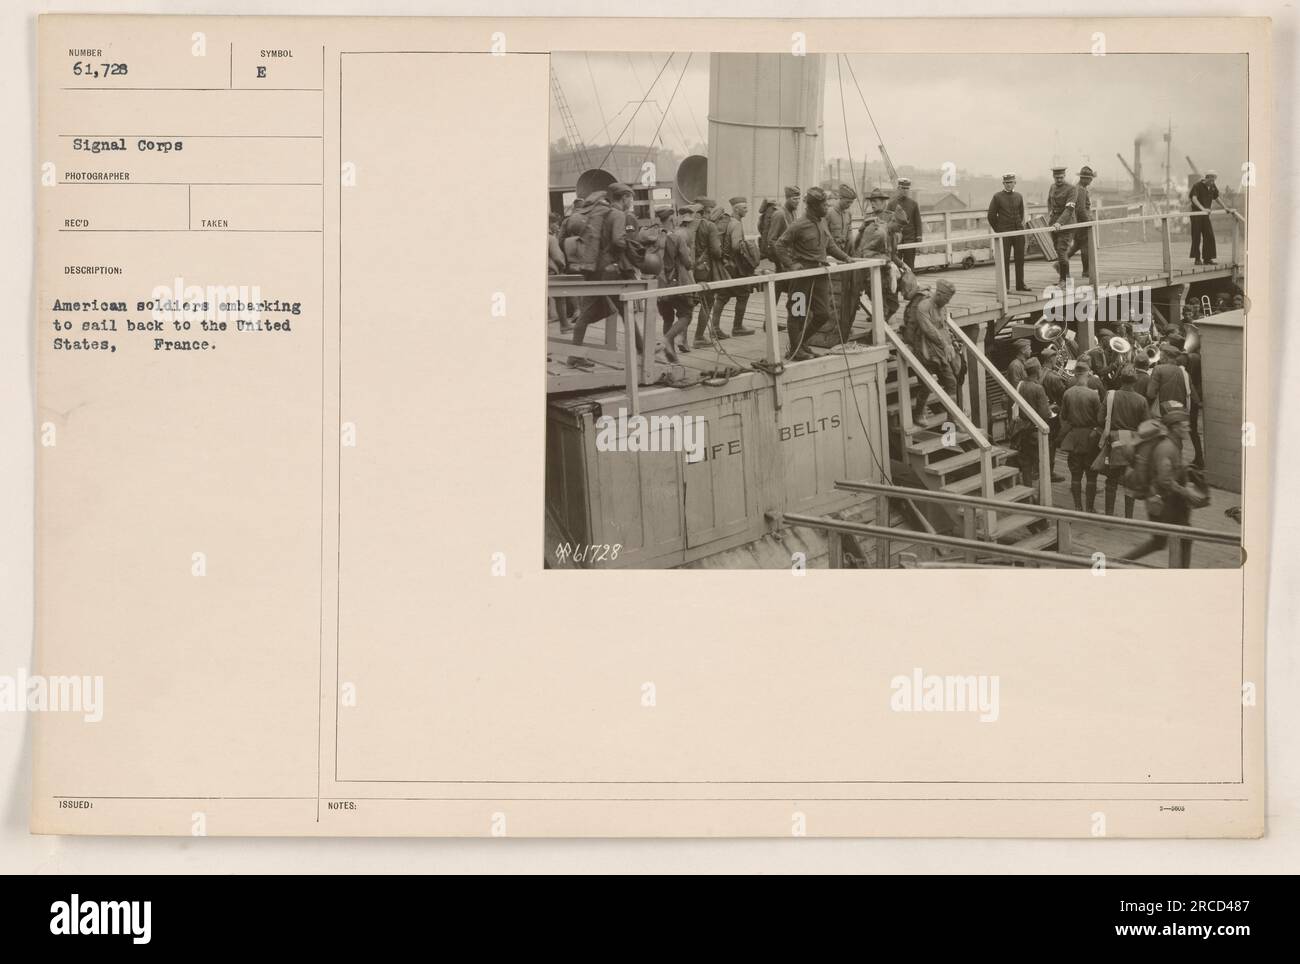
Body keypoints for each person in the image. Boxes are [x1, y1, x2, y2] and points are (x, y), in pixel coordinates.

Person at [771, 186, 853, 360]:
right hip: (802, 276)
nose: (827, 208)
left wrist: (846, 258)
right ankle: (796, 350)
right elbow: (779, 245)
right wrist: (791, 265)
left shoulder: (821, 222)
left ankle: (799, 343)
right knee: (797, 313)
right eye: (824, 205)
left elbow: (829, 245)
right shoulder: (798, 225)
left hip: (820, 274)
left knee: (823, 314)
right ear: (814, 206)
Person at [568, 183, 640, 368]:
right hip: (609, 270)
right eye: (630, 197)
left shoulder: (603, 213)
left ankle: (641, 348)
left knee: (610, 309)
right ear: (624, 198)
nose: (631, 201)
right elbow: (617, 240)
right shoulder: (617, 214)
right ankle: (641, 349)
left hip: (596, 268)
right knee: (623, 309)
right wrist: (631, 245)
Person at [1128, 405, 1205, 567]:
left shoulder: (1172, 445)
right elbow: (1165, 480)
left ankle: (1116, 563)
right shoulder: (1167, 448)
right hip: (1166, 504)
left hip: (1167, 502)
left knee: (1163, 541)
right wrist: (1187, 493)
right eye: (1185, 426)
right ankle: (1181, 577)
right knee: (1181, 538)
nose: (1189, 428)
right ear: (1176, 428)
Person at [904, 279, 964, 423]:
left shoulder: (942, 308)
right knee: (926, 385)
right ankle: (918, 413)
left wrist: (952, 341)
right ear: (939, 294)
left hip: (942, 352)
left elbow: (944, 327)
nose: (948, 302)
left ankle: (952, 417)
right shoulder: (923, 307)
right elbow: (929, 330)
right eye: (947, 298)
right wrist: (944, 344)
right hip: (925, 351)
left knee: (951, 382)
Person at [1097, 366, 1150, 518]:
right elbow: (1147, 426)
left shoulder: (1110, 395)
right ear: (1135, 381)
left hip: (1114, 444)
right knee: (1130, 483)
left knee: (1111, 481)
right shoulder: (1141, 400)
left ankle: (1109, 515)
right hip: (1133, 445)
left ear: (1120, 379)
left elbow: (1100, 419)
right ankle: (1128, 518)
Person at [709, 196, 758, 338]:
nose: (747, 210)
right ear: (736, 209)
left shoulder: (727, 222)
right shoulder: (736, 224)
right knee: (743, 295)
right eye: (744, 208)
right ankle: (737, 327)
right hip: (736, 266)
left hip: (725, 265)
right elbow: (736, 246)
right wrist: (748, 248)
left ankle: (715, 328)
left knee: (722, 297)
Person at [854, 187, 905, 321]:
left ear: (884, 202)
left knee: (892, 301)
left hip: (886, 265)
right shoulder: (870, 220)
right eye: (872, 201)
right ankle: (879, 322)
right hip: (873, 266)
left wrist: (900, 263)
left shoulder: (890, 218)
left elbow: (892, 247)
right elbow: (862, 246)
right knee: (877, 296)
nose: (873, 204)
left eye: (875, 201)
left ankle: (881, 317)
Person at [1058, 359, 1102, 512]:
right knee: (1091, 475)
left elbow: (1063, 415)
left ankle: (1078, 506)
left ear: (1076, 375)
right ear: (1087, 375)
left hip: (1074, 437)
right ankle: (1090, 508)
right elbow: (1100, 418)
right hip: (1090, 437)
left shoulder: (1067, 393)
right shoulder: (1093, 395)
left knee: (1075, 475)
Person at [654, 206, 694, 363]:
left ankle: (672, 358)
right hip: (675, 283)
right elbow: (687, 262)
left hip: (658, 285)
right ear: (671, 219)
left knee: (668, 318)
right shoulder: (676, 238)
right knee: (686, 315)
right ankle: (667, 339)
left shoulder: (655, 236)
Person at [1009, 356, 1053, 492]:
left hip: (1022, 430)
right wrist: (1051, 410)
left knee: (1025, 462)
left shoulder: (1020, 385)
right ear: (1038, 371)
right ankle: (1042, 495)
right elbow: (1044, 415)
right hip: (1034, 431)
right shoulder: (1038, 388)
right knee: (1042, 463)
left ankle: (1027, 491)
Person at [825, 184, 860, 340]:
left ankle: (842, 325)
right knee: (832, 294)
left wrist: (851, 254)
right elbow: (825, 237)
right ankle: (830, 326)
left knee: (844, 293)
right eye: (847, 201)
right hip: (830, 257)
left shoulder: (848, 214)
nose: (848, 205)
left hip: (843, 257)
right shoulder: (829, 213)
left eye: (851, 202)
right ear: (840, 198)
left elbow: (850, 235)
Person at [691, 197, 726, 346]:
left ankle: (680, 339)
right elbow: (716, 251)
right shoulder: (709, 226)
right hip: (704, 270)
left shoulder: (688, 224)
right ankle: (699, 337)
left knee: (687, 306)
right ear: (707, 210)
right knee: (707, 302)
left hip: (688, 269)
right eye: (710, 210)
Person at [987, 172, 1030, 291]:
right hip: (1004, 233)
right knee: (1004, 260)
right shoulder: (997, 197)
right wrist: (999, 230)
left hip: (1018, 233)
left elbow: (1021, 214)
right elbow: (991, 215)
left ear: (1015, 183)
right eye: (1006, 183)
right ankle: (1005, 287)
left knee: (1020, 258)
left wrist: (1019, 227)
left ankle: (1020, 284)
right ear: (1003, 183)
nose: (1009, 185)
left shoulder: (1019, 196)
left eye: (1011, 182)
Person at [1045, 165, 1079, 283]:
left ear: (1064, 176)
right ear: (1053, 177)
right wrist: (1050, 214)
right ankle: (1067, 277)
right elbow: (1049, 202)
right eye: (1056, 177)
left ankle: (1063, 281)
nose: (1058, 180)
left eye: (1061, 177)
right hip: (1053, 223)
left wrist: (1059, 222)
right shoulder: (1052, 187)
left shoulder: (1071, 189)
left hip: (1067, 224)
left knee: (1062, 249)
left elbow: (1069, 209)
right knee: (1058, 250)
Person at [1063, 165, 1096, 278]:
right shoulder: (1081, 190)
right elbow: (1081, 209)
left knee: (1076, 246)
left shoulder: (1078, 188)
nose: (1091, 181)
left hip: (1077, 223)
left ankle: (1060, 263)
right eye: (1090, 179)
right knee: (1085, 247)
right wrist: (1088, 222)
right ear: (1084, 179)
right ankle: (1086, 271)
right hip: (1081, 223)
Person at [887, 177, 923, 270]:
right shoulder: (891, 204)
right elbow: (887, 222)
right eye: (903, 188)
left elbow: (918, 222)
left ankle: (910, 283)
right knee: (895, 265)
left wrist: (918, 238)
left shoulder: (913, 204)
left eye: (907, 189)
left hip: (910, 239)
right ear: (898, 189)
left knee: (909, 266)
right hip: (896, 241)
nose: (905, 191)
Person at [1145, 344, 1190, 417]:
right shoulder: (1183, 371)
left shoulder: (1158, 369)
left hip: (1163, 412)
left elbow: (1150, 394)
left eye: (1161, 356)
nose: (1159, 358)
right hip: (1179, 413)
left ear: (1165, 357)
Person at [1189, 170, 1220, 265]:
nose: (1212, 182)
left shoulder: (1212, 186)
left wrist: (1226, 207)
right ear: (1207, 178)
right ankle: (1197, 259)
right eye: (1211, 180)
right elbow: (1194, 198)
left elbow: (1217, 198)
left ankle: (1207, 258)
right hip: (1196, 214)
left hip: (1205, 215)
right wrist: (1202, 209)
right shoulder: (1197, 186)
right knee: (1196, 236)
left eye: (1214, 180)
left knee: (1209, 235)